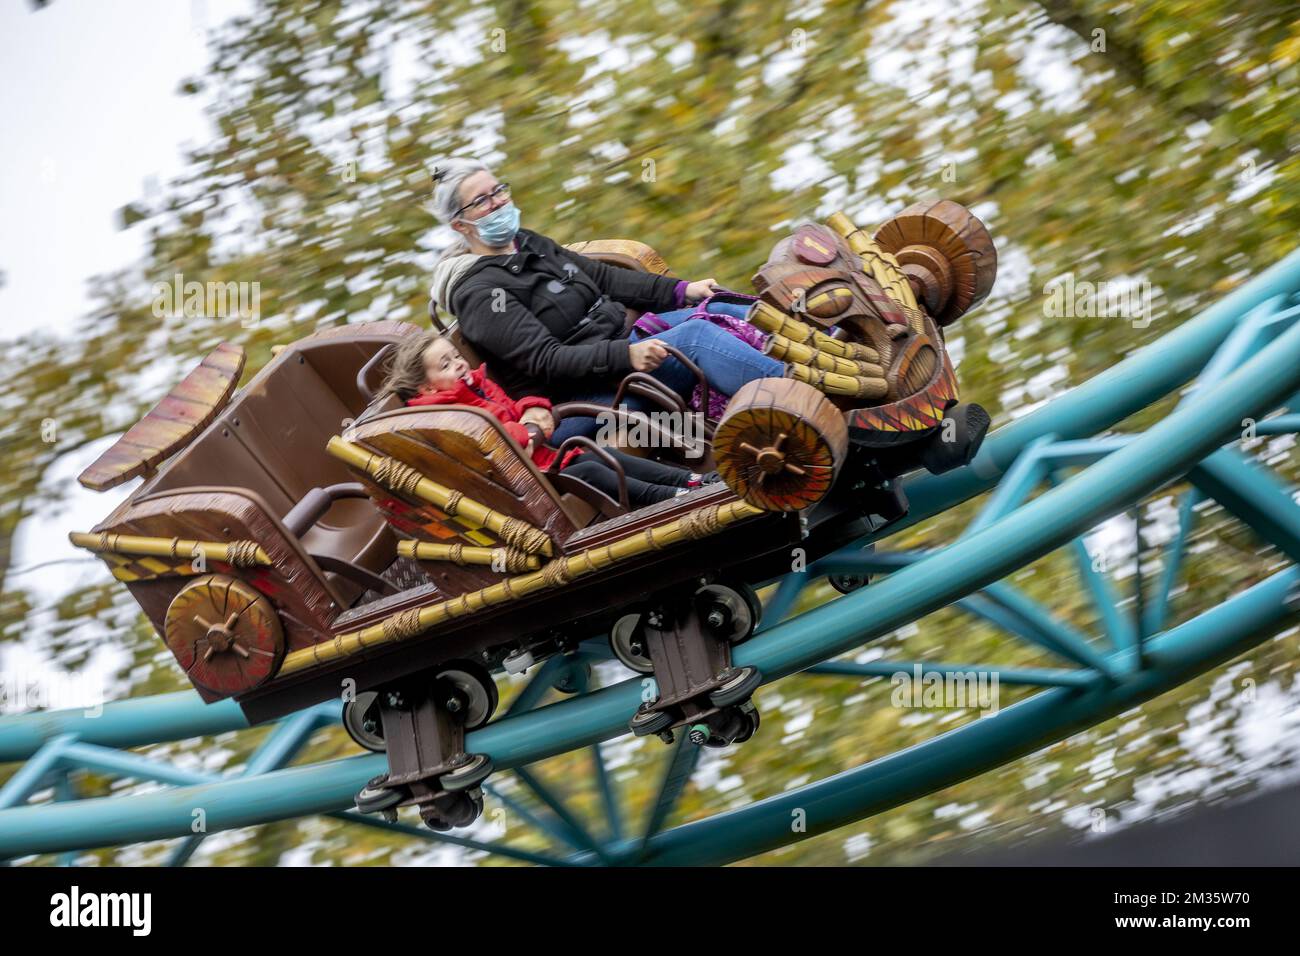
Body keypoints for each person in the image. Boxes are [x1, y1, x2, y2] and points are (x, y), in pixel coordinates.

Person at [426, 158, 885, 444]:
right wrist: (625, 354)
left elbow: (605, 278)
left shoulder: (529, 243)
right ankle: (822, 401)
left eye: (498, 191)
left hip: (628, 345)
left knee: (725, 307)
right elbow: (547, 361)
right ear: (460, 225)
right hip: (589, 387)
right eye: (481, 202)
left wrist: (682, 290)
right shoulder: (480, 293)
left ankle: (846, 355)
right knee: (700, 337)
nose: (497, 203)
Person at [379, 330, 716, 509]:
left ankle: (689, 481)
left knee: (605, 454)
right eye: (446, 365)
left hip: (542, 458)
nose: (459, 364)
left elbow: (511, 405)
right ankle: (667, 498)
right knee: (589, 470)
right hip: (520, 484)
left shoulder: (476, 386)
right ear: (426, 386)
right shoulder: (445, 416)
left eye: (455, 356)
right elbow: (486, 439)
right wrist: (524, 431)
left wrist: (531, 406)